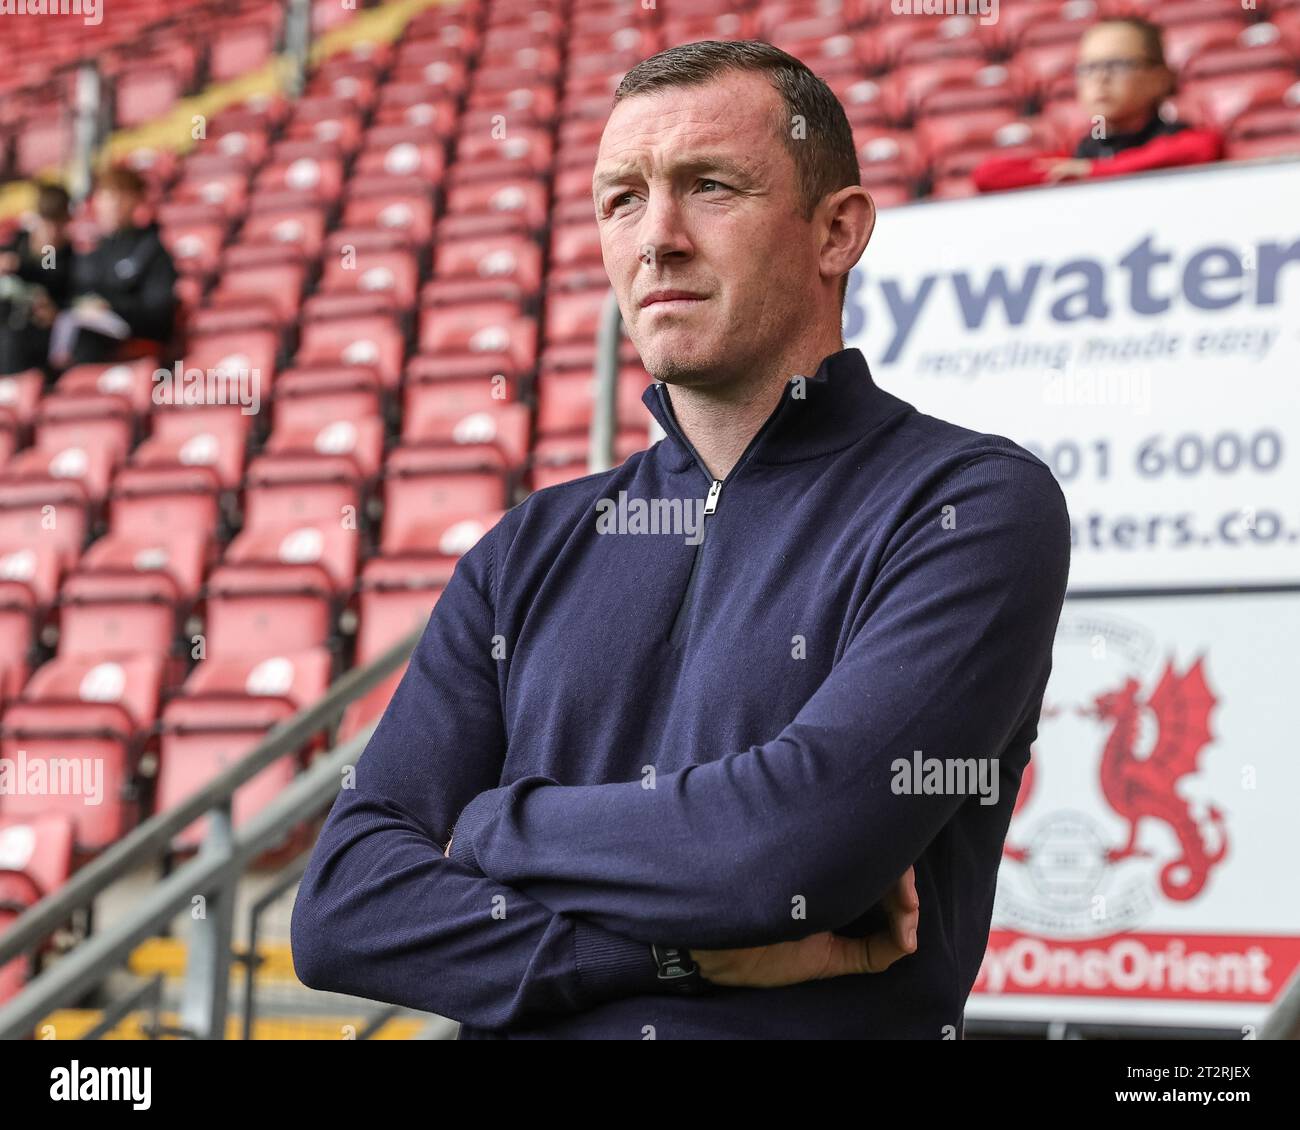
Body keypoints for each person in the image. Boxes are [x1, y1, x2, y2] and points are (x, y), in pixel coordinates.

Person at [291, 40, 1071, 1039]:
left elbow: (786, 851)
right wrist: (668, 955)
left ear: (837, 232)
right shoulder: (528, 544)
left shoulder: (967, 505)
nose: (656, 238)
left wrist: (486, 825)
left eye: (708, 186)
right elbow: (344, 906)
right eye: (621, 198)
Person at [973, 18, 1223, 192]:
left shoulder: (1180, 140)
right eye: (1089, 68)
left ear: (1160, 78)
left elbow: (1201, 149)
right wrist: (1087, 170)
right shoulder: (1081, 154)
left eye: (1118, 65)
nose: (1101, 79)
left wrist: (1091, 173)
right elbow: (988, 175)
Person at [57, 165, 177, 366]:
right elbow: (73, 295)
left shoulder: (152, 250)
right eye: (105, 196)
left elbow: (159, 314)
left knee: (83, 340)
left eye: (119, 196)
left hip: (131, 338)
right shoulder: (92, 254)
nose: (111, 205)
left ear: (137, 200)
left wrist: (111, 307)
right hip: (84, 329)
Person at [0, 182, 74, 377]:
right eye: (47, 222)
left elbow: (47, 276)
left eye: (57, 223)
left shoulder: (55, 252)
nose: (51, 230)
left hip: (39, 329)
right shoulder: (19, 240)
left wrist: (20, 267)